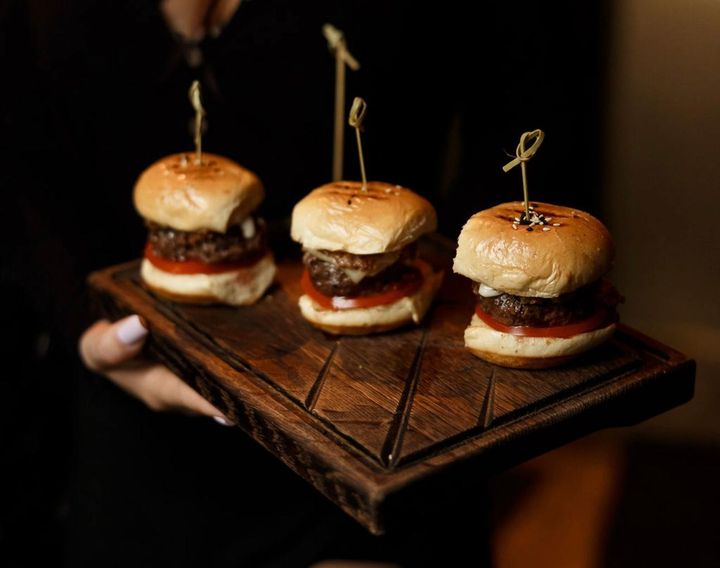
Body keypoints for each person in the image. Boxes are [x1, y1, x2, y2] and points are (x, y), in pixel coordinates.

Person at [2, 1, 607, 566]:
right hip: (129, 440)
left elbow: (535, 108)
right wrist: (82, 317)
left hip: (391, 426)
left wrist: (468, 286)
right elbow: (20, 169)